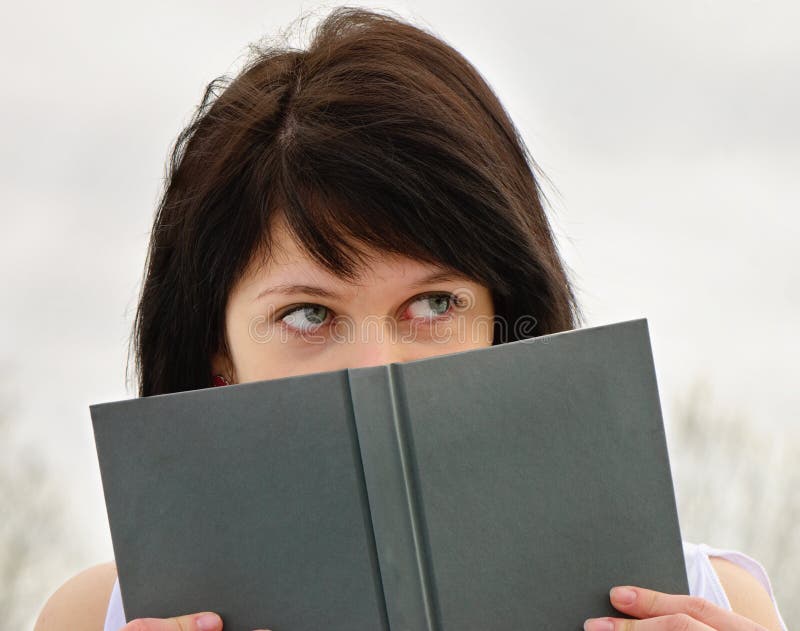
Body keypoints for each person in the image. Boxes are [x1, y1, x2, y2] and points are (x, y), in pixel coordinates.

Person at [35, 7, 788, 631]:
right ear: (218, 356)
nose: (377, 367)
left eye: (433, 304)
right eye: (307, 313)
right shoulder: (95, 615)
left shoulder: (710, 604)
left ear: (504, 319)